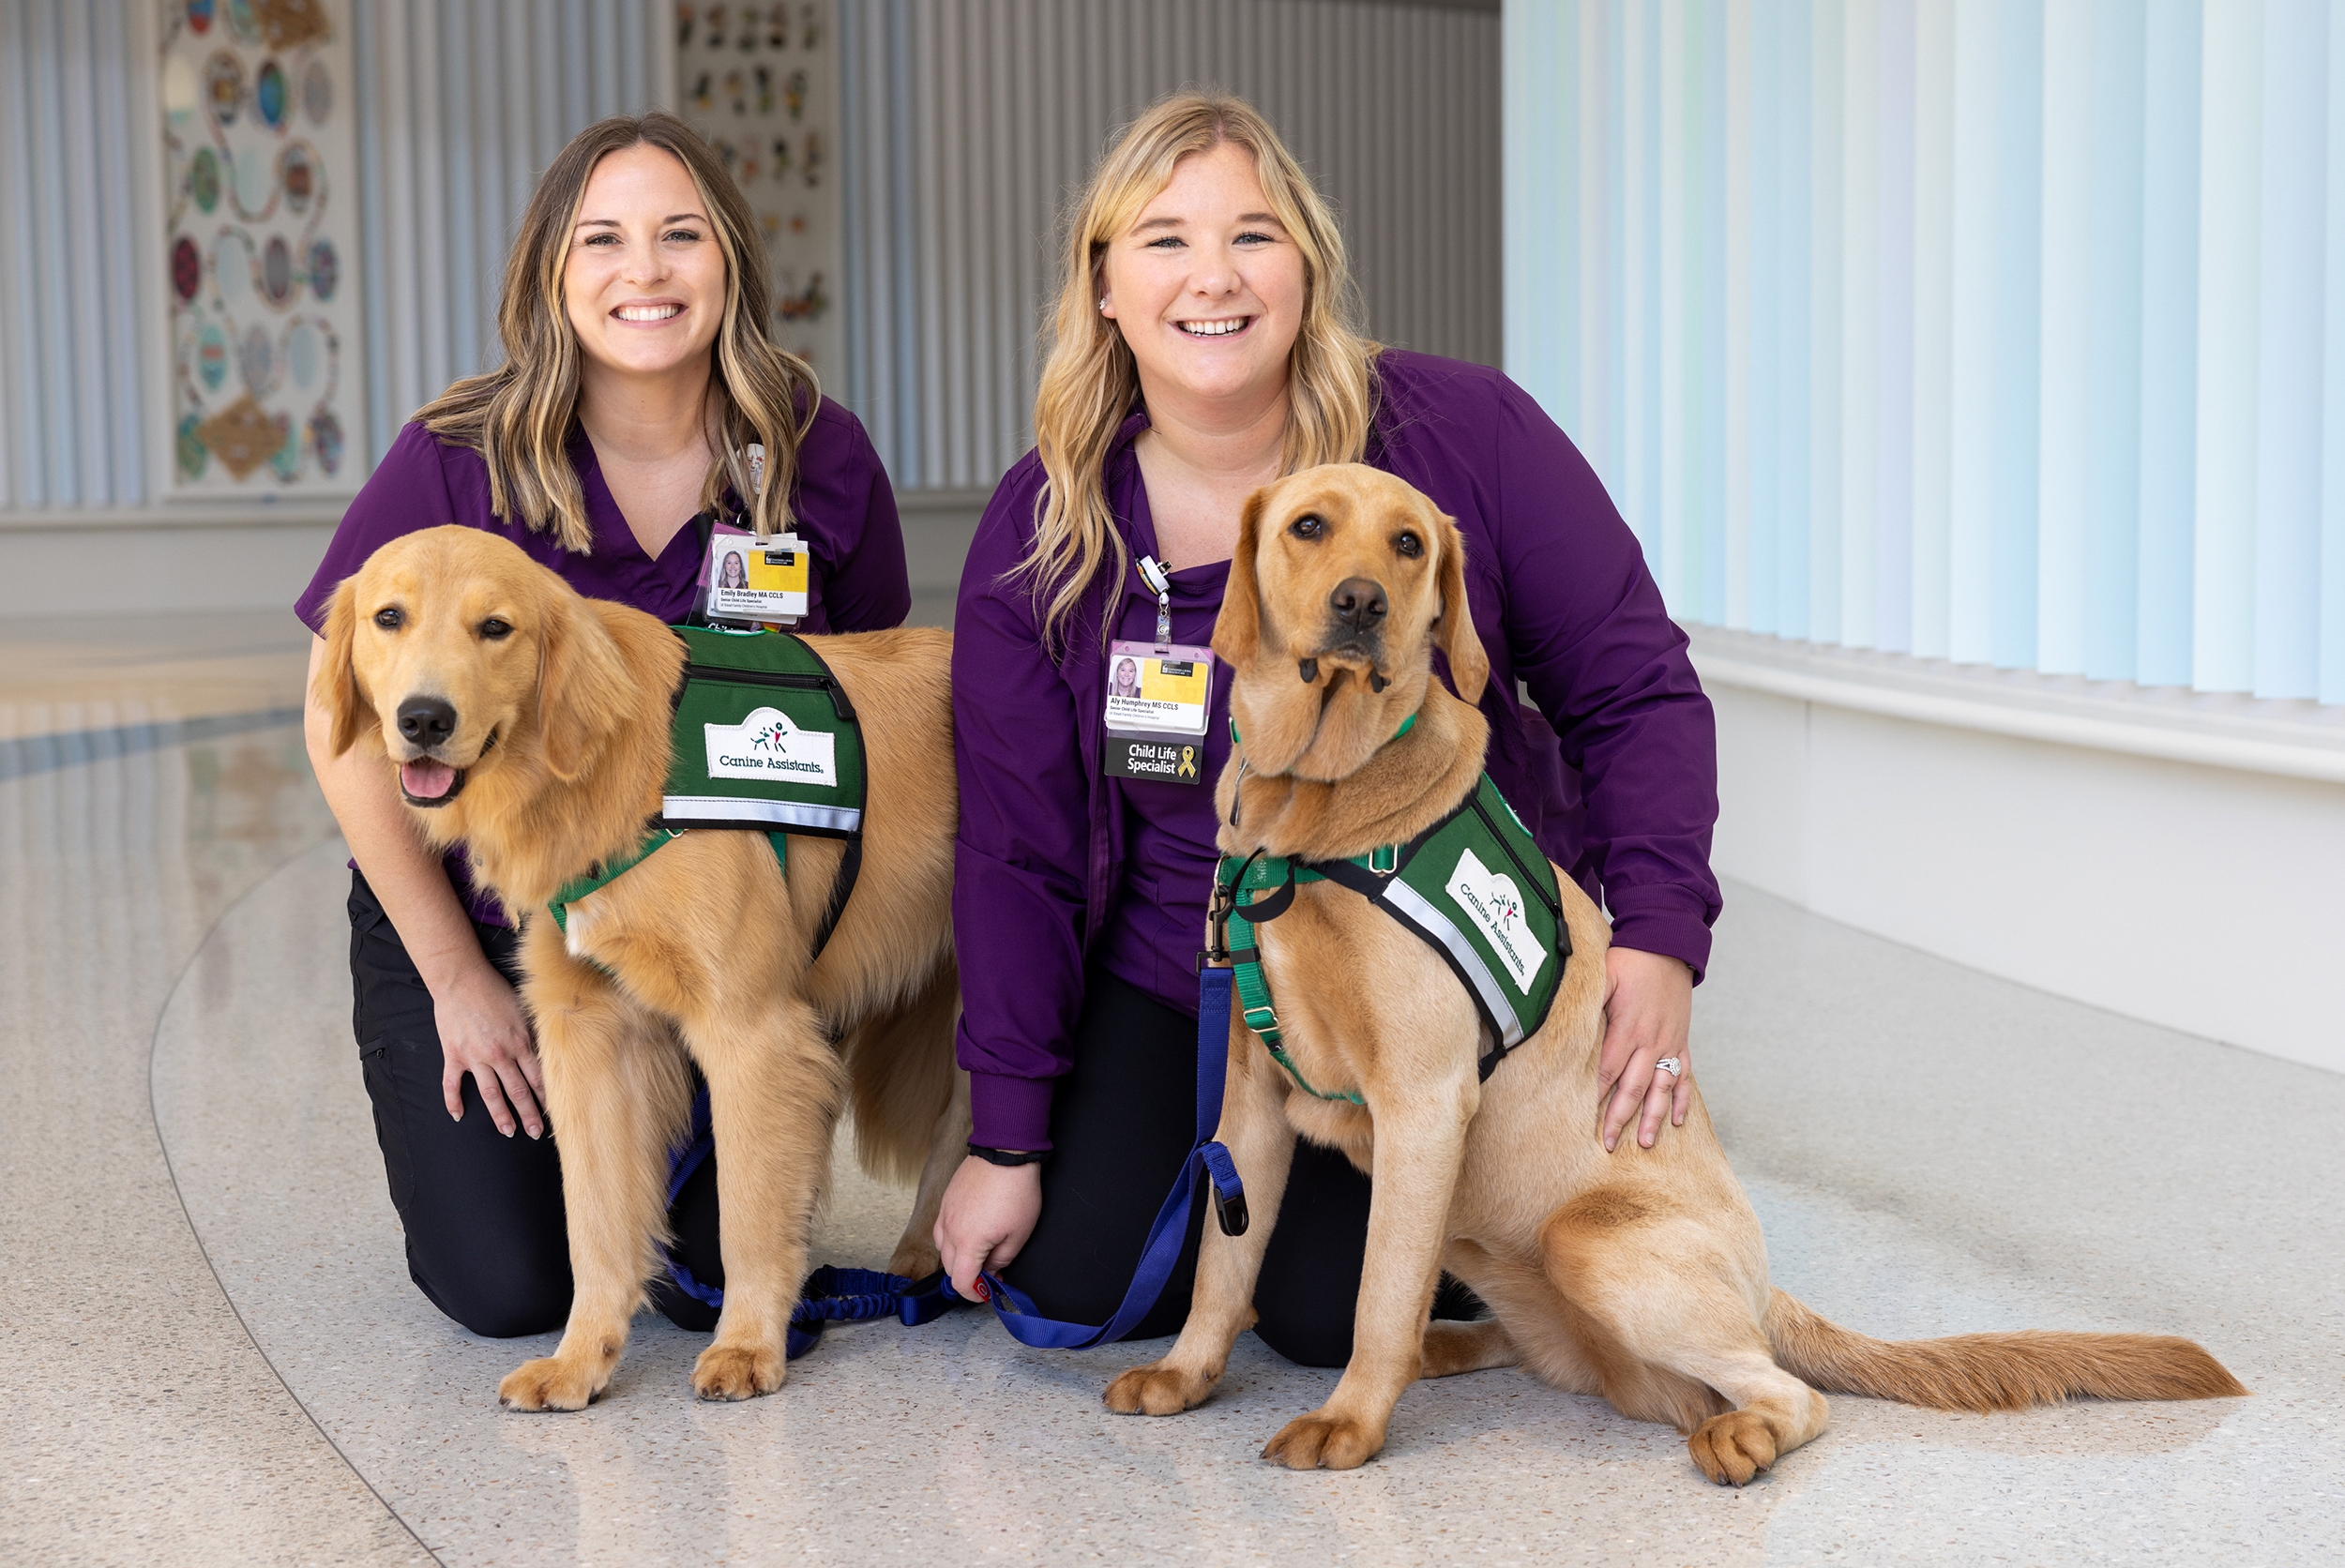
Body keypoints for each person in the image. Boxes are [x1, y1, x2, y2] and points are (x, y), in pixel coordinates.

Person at [935, 94, 1719, 1366]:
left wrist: (1661, 938)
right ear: (1106, 286)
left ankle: (1486, 1201)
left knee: (1315, 1322)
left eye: (1254, 236)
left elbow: (1635, 692)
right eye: (1164, 241)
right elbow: (1015, 852)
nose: (1213, 279)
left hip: (1420, 957)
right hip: (1184, 968)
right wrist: (1006, 1138)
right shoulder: (1049, 529)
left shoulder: (1464, 437)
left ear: (1308, 268)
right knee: (1071, 1293)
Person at [296, 113, 908, 1338]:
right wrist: (460, 980)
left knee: (712, 1281)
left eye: (681, 236)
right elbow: (343, 726)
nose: (646, 271)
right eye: (605, 241)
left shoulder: (815, 453)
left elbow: (868, 707)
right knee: (509, 1288)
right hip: (483, 918)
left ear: (729, 260)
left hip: (716, 918)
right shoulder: (454, 459)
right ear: (551, 273)